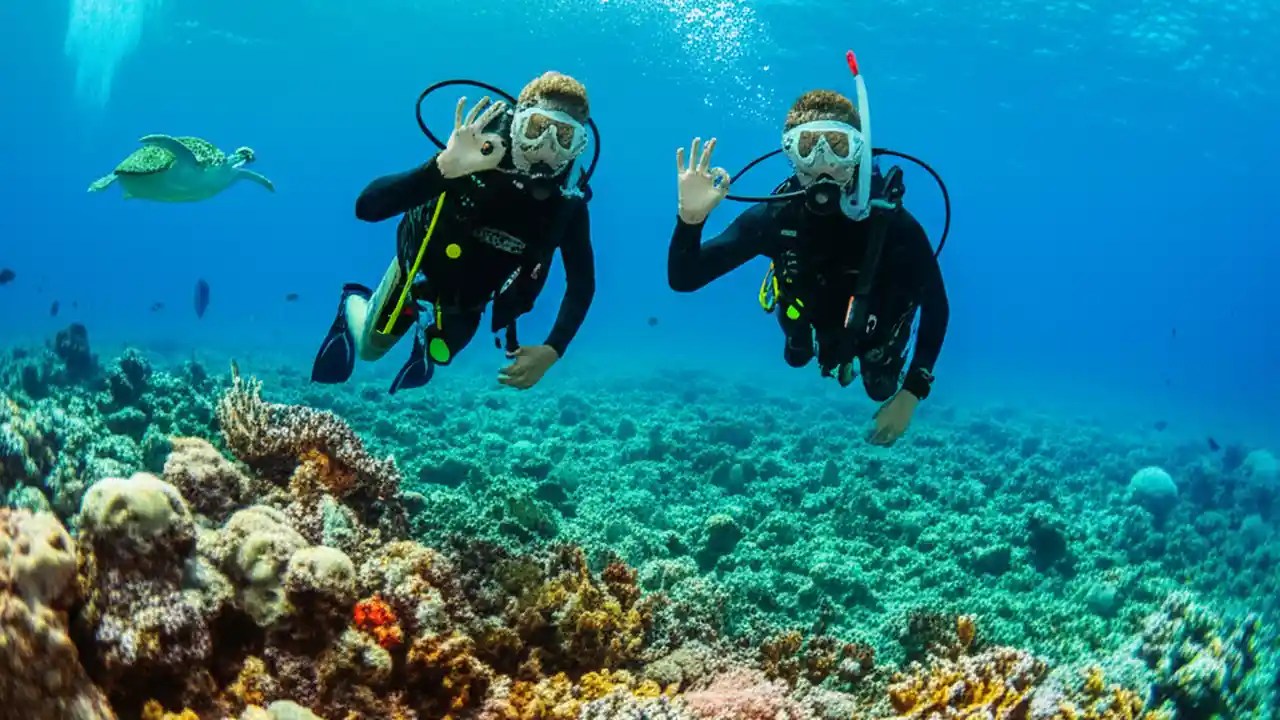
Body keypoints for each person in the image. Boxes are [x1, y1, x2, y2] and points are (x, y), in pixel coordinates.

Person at [667, 87, 949, 447]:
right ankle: (806, 340)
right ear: (790, 155)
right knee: (796, 355)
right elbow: (684, 278)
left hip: (874, 328)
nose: (823, 163)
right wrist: (690, 219)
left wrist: (911, 394)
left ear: (858, 152)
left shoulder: (893, 225)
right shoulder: (775, 217)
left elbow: (938, 307)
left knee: (882, 389)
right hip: (807, 312)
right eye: (807, 148)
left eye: (838, 146)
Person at [311, 71, 597, 393]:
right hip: (419, 271)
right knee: (369, 348)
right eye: (536, 129)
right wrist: (442, 168)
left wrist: (553, 349)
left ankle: (424, 338)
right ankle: (353, 301)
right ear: (516, 123)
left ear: (578, 146)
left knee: (442, 354)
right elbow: (367, 208)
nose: (546, 148)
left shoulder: (567, 204)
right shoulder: (473, 154)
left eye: (564, 137)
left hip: (470, 298)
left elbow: (582, 282)